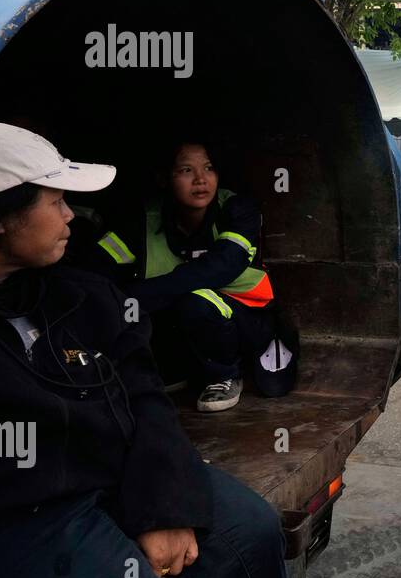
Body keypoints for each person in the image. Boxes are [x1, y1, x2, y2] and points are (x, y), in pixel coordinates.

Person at [0, 122, 289, 578]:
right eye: (55, 202)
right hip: (27, 509)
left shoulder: (80, 295)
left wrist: (164, 502)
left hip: (118, 471)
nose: (69, 218)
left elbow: (143, 394)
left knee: (252, 529)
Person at [92, 140, 282, 413]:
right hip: (183, 321)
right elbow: (98, 268)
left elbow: (223, 266)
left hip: (247, 320)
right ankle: (175, 370)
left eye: (208, 168)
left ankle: (224, 375)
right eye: (185, 170)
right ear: (164, 178)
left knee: (193, 300)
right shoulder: (146, 217)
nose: (200, 180)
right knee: (134, 303)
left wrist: (141, 294)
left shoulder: (237, 209)